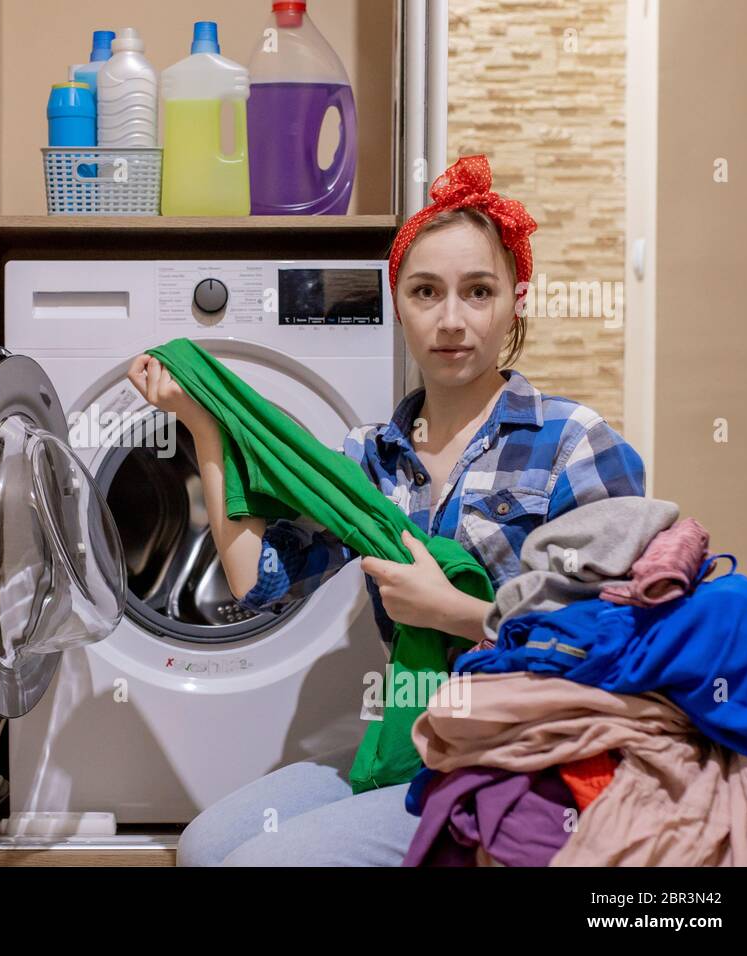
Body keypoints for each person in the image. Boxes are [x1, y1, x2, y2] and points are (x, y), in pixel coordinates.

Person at [124, 154, 646, 866]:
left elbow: (621, 636)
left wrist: (455, 613)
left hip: (528, 751)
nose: (452, 320)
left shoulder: (573, 443)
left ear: (517, 300)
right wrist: (204, 427)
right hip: (417, 730)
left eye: (479, 291)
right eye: (426, 292)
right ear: (397, 302)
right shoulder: (370, 456)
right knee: (205, 845)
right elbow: (259, 583)